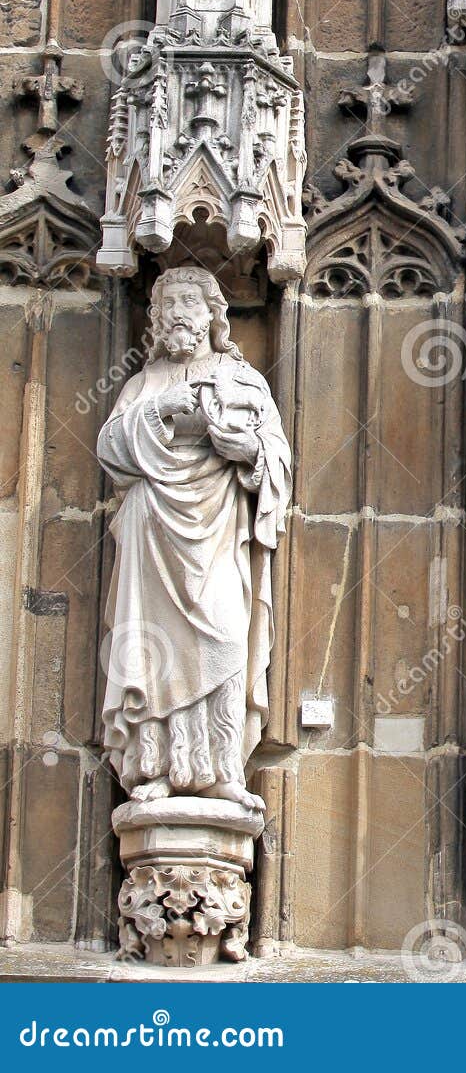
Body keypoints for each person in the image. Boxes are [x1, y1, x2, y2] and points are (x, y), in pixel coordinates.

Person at [99, 267, 291, 810]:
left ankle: (222, 769)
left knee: (227, 632)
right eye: (167, 304)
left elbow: (278, 456)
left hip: (219, 524)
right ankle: (157, 767)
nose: (177, 313)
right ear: (157, 319)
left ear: (212, 314)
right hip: (153, 531)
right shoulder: (144, 382)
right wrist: (159, 410)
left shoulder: (243, 380)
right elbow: (110, 448)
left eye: (189, 301)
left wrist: (247, 451)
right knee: (154, 649)